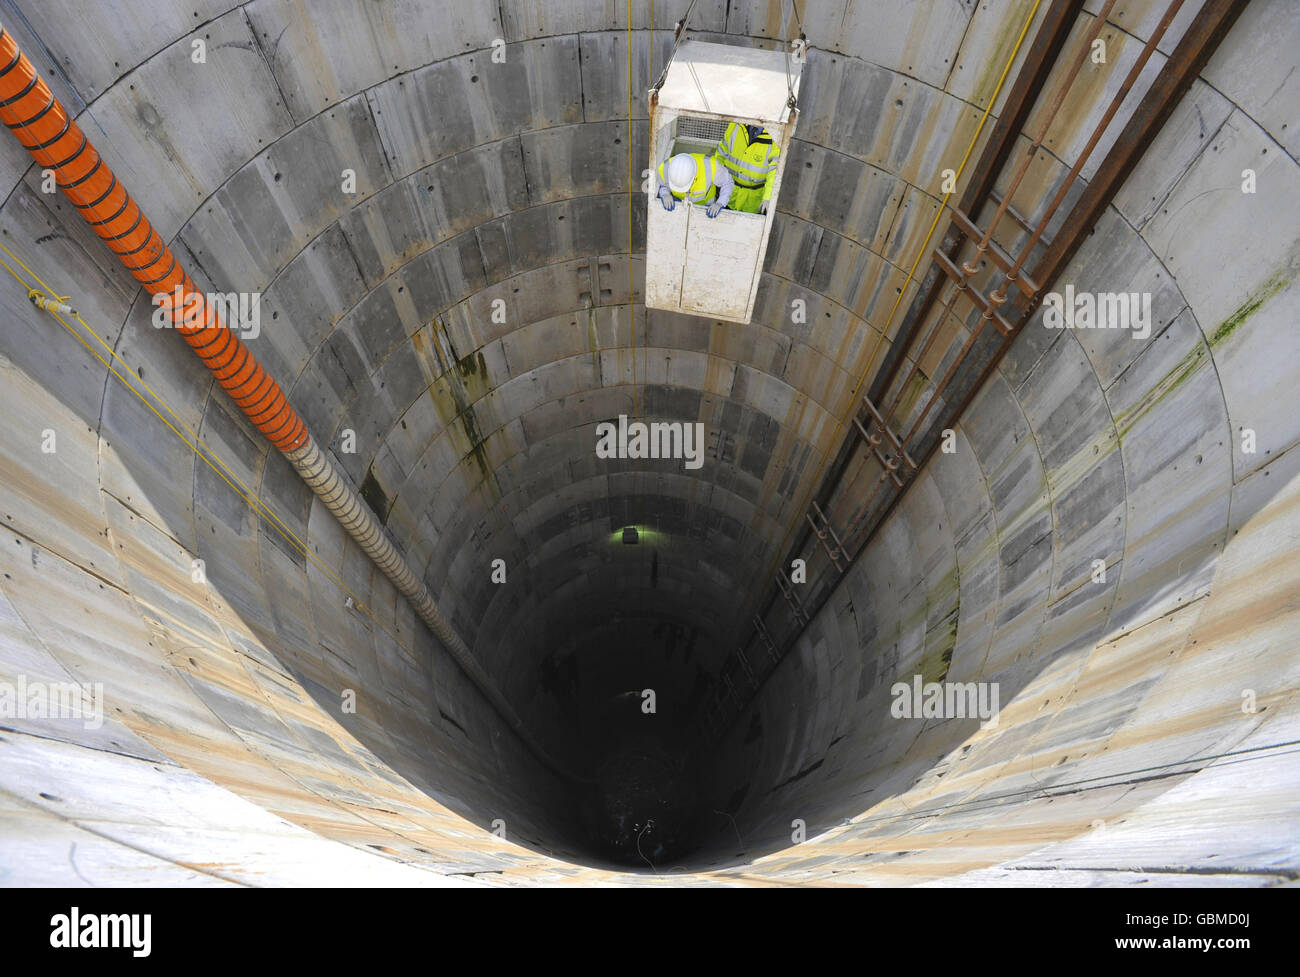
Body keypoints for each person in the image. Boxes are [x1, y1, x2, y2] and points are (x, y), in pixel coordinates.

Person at [716, 123, 779, 214]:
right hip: (727, 195)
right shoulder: (735, 125)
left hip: (753, 203)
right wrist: (714, 185)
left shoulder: (775, 136)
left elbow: (774, 170)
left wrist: (768, 198)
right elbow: (720, 155)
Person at [656, 152, 733, 218]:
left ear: (694, 176)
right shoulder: (664, 168)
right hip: (679, 205)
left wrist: (720, 203)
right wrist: (665, 193)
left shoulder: (711, 166)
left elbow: (727, 182)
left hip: (706, 209)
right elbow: (663, 185)